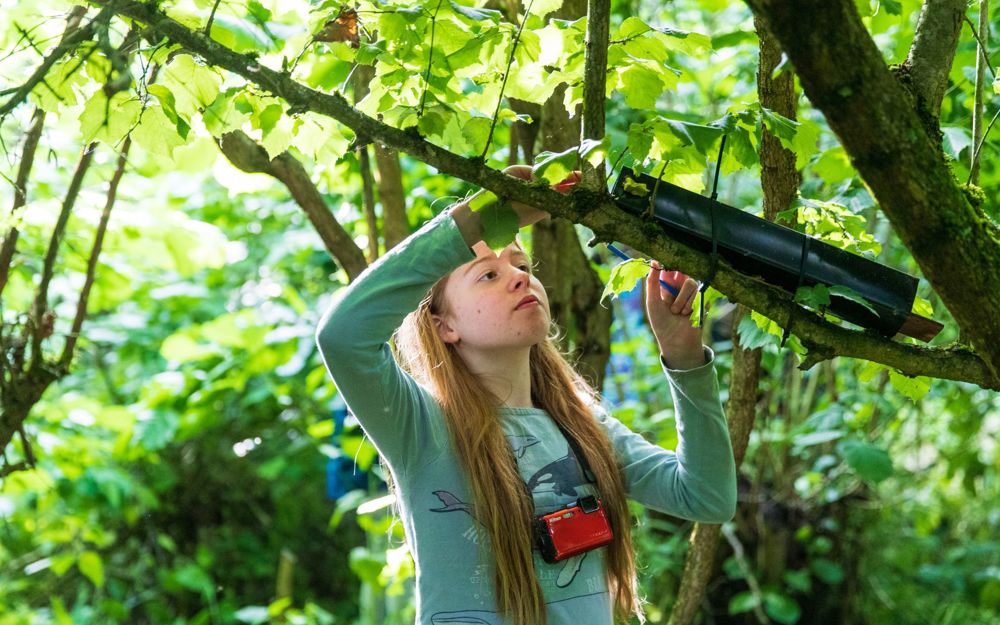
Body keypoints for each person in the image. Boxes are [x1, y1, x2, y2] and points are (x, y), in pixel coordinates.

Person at [316, 166, 737, 625]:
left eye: (522, 265)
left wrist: (684, 358)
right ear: (444, 326)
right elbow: (342, 336)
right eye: (487, 275)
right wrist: (469, 222)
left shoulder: (582, 427)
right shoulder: (421, 425)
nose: (519, 277)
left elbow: (706, 497)